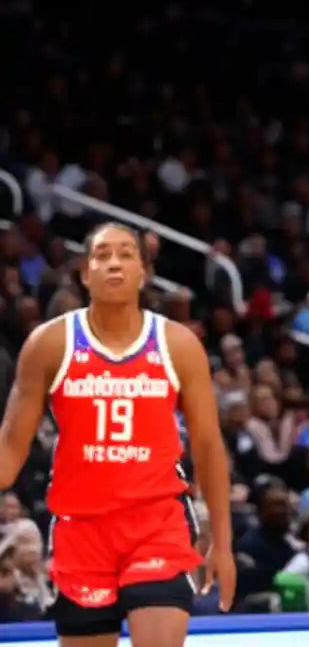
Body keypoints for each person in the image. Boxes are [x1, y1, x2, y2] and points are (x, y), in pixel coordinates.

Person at [0, 222, 236, 645]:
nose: (114, 263)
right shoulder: (49, 344)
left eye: (126, 254)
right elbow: (9, 452)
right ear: (85, 273)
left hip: (156, 523)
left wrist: (222, 538)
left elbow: (207, 445)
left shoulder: (177, 344)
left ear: (144, 271)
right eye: (102, 255)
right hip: (81, 529)